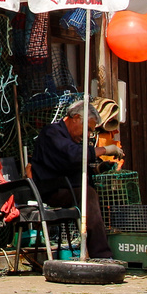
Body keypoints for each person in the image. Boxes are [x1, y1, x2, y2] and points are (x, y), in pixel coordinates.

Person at [29, 98, 118, 259]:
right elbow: (72, 156)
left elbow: (74, 164)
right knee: (87, 194)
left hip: (68, 188)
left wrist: (98, 167)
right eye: (88, 129)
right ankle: (102, 255)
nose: (89, 135)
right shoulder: (52, 132)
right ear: (76, 118)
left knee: (92, 193)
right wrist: (105, 149)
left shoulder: (72, 140)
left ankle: (98, 250)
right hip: (51, 191)